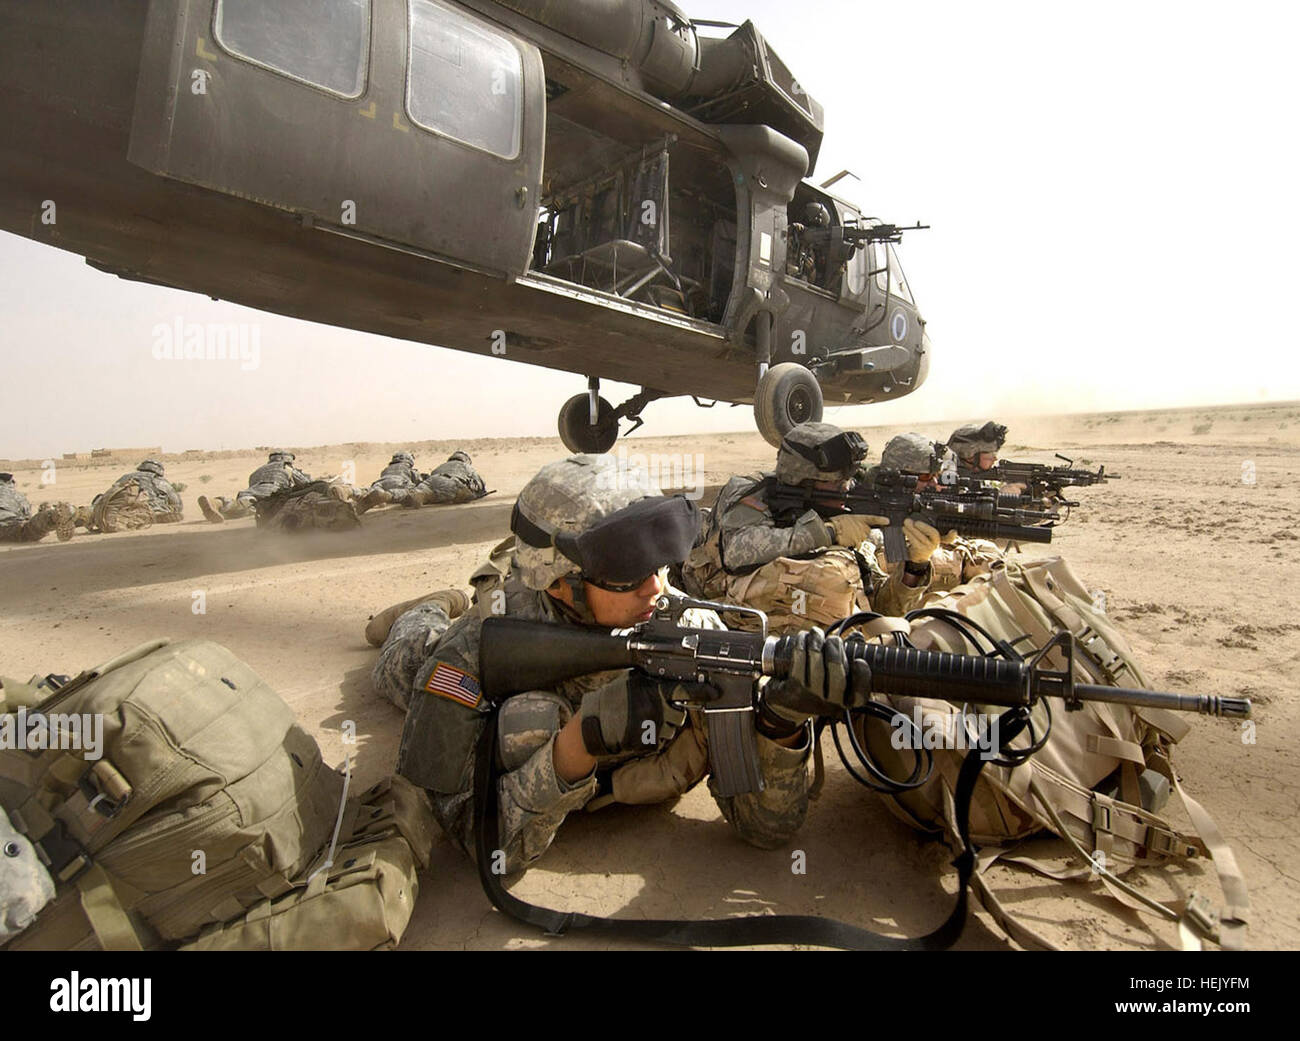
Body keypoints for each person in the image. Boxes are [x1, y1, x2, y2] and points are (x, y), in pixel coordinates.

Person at [390, 454, 853, 874]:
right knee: (406, 658)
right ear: (560, 585)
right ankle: (432, 606)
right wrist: (577, 745)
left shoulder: (690, 630)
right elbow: (478, 840)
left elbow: (766, 832)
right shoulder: (474, 648)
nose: (655, 589)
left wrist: (780, 724)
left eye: (659, 565)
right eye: (628, 573)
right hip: (448, 640)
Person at [680, 422, 938, 633]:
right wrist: (828, 532)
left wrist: (914, 568)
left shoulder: (843, 513)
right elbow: (737, 552)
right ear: (803, 482)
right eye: (836, 483)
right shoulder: (752, 492)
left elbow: (883, 606)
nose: (846, 488)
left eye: (848, 480)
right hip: (720, 603)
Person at [867, 432, 1005, 597]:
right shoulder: (870, 529)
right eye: (925, 476)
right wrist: (916, 564)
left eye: (936, 476)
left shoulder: (925, 506)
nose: (934, 483)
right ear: (897, 476)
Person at [198, 451, 312, 523]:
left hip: (250, 491)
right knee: (253, 509)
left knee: (242, 505)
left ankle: (219, 503)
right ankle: (220, 507)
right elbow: (306, 484)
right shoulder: (287, 468)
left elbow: (252, 483)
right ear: (287, 460)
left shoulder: (259, 470)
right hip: (271, 492)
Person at [89, 458, 184, 533]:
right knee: (170, 509)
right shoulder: (159, 481)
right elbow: (177, 504)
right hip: (147, 508)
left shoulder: (125, 477)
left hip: (119, 508)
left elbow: (112, 495)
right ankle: (154, 516)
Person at [0, 473, 75, 543]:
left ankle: (52, 516)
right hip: (11, 521)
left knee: (25, 532)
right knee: (27, 528)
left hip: (5, 525)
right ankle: (76, 514)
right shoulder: (17, 494)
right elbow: (27, 515)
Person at [398, 451, 487, 507]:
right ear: (466, 460)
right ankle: (427, 496)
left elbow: (433, 474)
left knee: (424, 492)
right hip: (450, 482)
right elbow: (480, 483)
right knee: (465, 496)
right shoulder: (466, 466)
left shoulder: (441, 466)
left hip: (432, 479)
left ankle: (418, 496)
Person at [355, 451, 423, 513]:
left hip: (381, 482)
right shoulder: (409, 469)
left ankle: (352, 492)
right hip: (399, 482)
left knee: (369, 491)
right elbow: (420, 482)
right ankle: (385, 496)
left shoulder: (386, 469)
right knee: (412, 493)